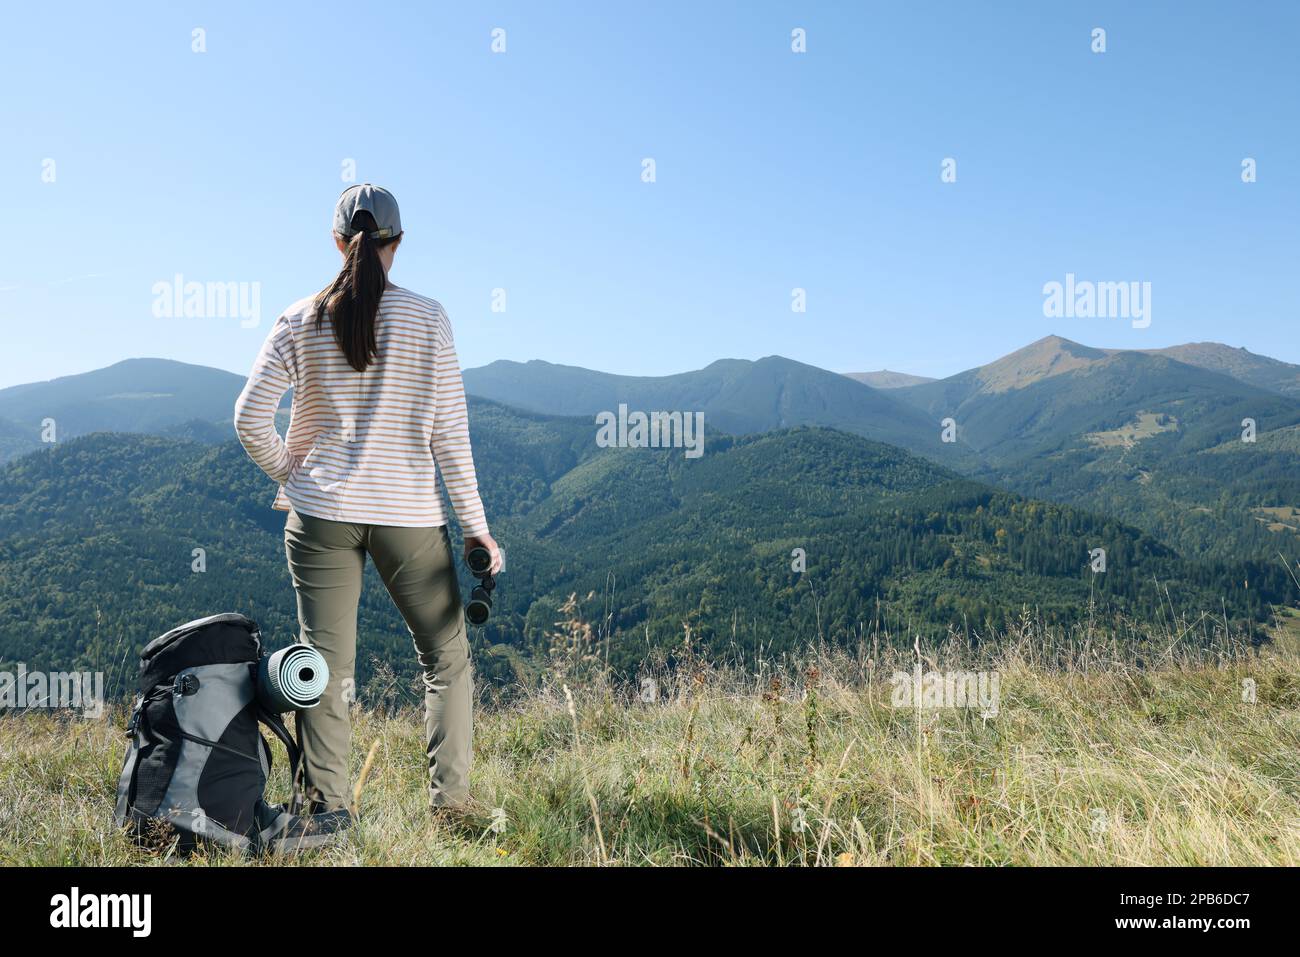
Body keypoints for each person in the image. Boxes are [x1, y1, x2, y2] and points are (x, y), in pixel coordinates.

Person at [234, 184, 502, 830]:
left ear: (336, 242)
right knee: (446, 656)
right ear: (397, 245)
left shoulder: (299, 318)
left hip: (320, 514)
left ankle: (326, 812)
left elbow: (248, 418)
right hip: (407, 513)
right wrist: (478, 531)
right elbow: (450, 437)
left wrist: (290, 470)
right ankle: (451, 807)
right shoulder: (429, 318)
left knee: (322, 664)